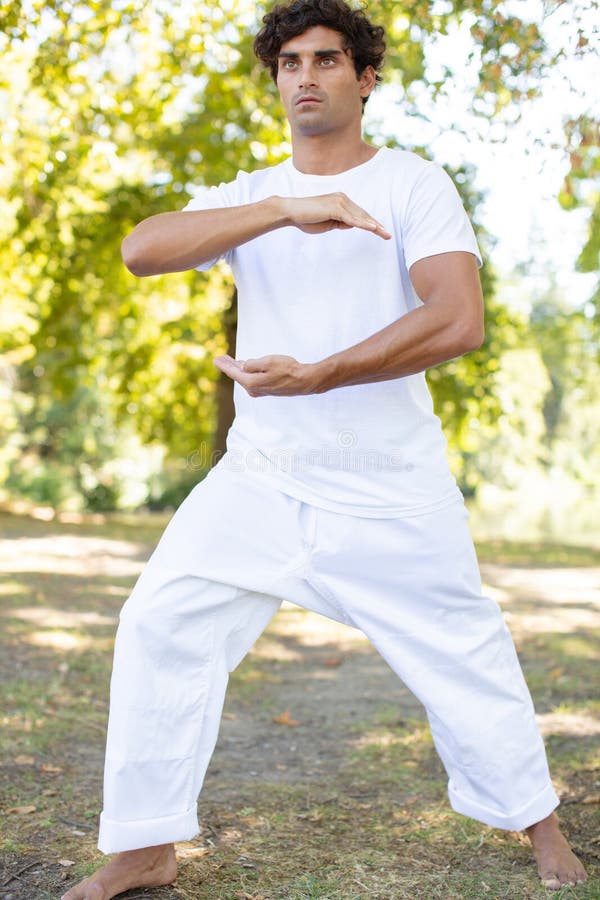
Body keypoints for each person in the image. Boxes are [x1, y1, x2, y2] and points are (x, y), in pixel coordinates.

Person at [62, 1, 587, 897]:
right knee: (158, 621)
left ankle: (539, 825)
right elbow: (142, 250)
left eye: (327, 60)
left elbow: (458, 319)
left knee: (464, 646)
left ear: (365, 77)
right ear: (276, 80)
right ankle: (146, 846)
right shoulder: (253, 194)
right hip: (261, 479)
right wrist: (282, 211)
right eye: (290, 63)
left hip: (388, 479)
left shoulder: (415, 185)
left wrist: (324, 372)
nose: (306, 76)